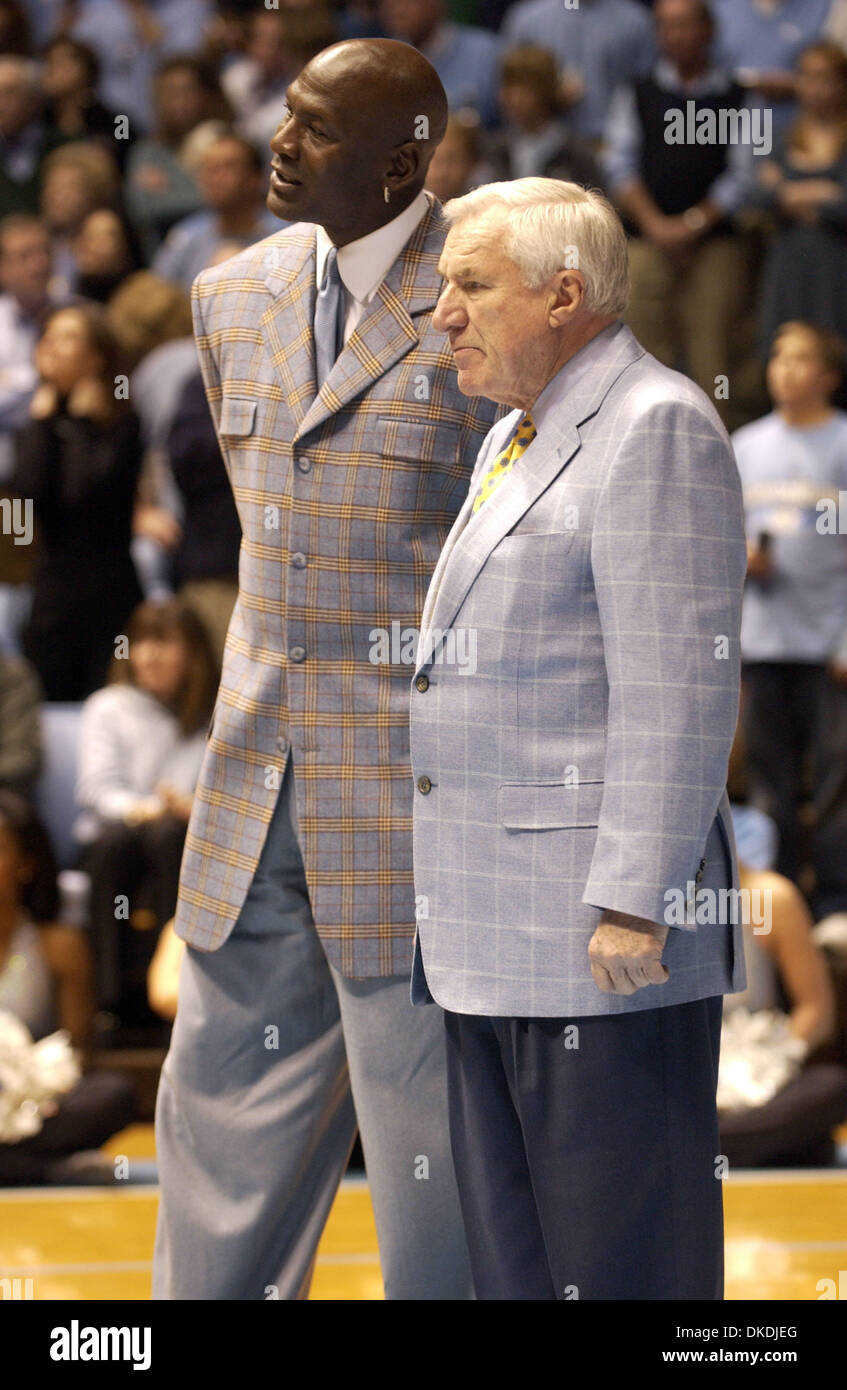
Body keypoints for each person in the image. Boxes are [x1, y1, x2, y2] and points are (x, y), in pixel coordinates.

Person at [152, 37, 500, 1302]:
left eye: (315, 128)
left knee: (435, 1166)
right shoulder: (227, 292)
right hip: (251, 781)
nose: (278, 145)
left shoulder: (494, 289)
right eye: (284, 115)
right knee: (213, 1128)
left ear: (405, 161)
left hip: (425, 808)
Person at [410, 176, 748, 1300]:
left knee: (623, 1273)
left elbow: (678, 687)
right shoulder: (513, 433)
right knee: (519, 1270)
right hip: (489, 932)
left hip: (600, 940)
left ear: (564, 296)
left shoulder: (653, 425)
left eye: (469, 286)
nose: (442, 312)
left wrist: (635, 896)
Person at [733, 320, 847, 904]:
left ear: (828, 375)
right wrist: (741, 559)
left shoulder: (842, 444)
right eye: (778, 356)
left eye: (801, 358)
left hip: (826, 646)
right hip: (761, 642)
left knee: (833, 781)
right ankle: (782, 904)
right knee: (768, 783)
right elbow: (717, 541)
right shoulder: (745, 446)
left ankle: (833, 904)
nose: (785, 368)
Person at [603, 0, 754, 432]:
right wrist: (656, 226)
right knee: (642, 355)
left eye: (685, 25)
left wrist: (690, 226)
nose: (675, 35)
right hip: (646, 240)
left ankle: (722, 458)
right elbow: (620, 165)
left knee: (714, 359)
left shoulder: (741, 94)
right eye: (665, 26)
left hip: (717, 243)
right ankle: (645, 450)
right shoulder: (636, 90)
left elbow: (746, 177)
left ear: (708, 30)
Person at [75, 597, 216, 1025]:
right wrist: (146, 809)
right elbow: (96, 790)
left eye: (164, 643)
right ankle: (110, 1003)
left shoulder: (215, 712)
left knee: (170, 838)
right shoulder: (108, 706)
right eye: (141, 643)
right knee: (115, 842)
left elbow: (218, 794)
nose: (149, 656)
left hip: (181, 834)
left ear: (192, 655)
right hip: (119, 830)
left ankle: (175, 990)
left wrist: (187, 809)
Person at [9, 302, 144, 701]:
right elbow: (25, 500)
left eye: (68, 337)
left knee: (111, 703)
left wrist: (82, 426)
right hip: (53, 593)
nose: (50, 344)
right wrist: (41, 425)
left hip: (109, 594)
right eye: (48, 335)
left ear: (97, 357)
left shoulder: (121, 424)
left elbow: (83, 495)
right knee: (49, 705)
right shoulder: (37, 422)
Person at [0, 790, 135, 1186]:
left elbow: (79, 1051)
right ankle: (48, 1171)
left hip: (34, 1105)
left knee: (114, 1093)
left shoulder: (60, 945)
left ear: (26, 863)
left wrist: (33, 1089)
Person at [752, 42, 847, 381]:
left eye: (825, 78)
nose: (815, 87)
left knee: (833, 358)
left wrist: (788, 192)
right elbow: (757, 194)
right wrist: (821, 192)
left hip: (837, 263)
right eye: (806, 77)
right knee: (786, 354)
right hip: (789, 262)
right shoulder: (782, 138)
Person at [152, 132, 278, 291]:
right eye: (208, 169)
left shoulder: (286, 234)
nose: (214, 178)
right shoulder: (185, 237)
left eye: (227, 167)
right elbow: (157, 297)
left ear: (255, 178)